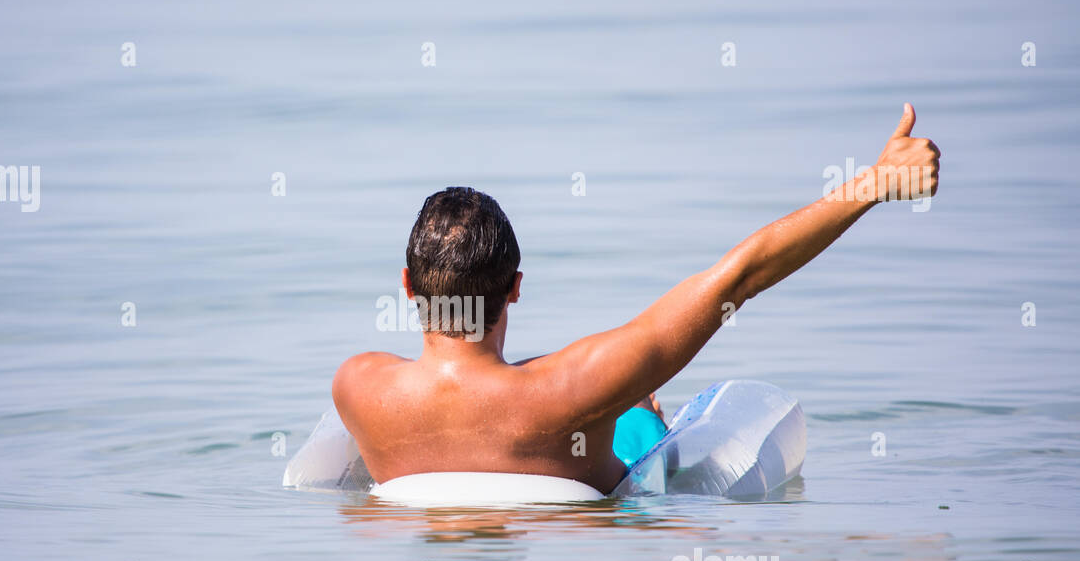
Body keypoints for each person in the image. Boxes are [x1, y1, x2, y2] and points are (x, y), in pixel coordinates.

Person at [333, 104, 939, 494]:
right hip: (586, 520)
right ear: (516, 286)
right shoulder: (576, 388)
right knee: (636, 416)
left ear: (407, 287)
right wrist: (876, 183)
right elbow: (740, 277)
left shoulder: (359, 387)